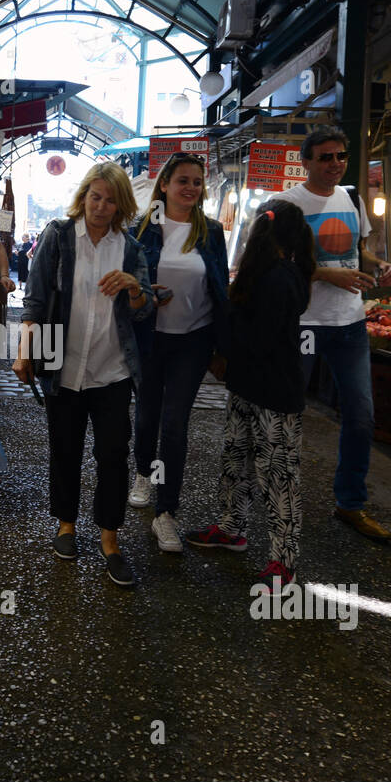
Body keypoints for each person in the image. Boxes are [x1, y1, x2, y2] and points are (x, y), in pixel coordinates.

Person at [235, 126, 391, 541]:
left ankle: (350, 504)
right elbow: (267, 261)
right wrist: (325, 273)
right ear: (306, 161)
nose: (335, 164)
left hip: (350, 324)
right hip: (303, 323)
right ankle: (264, 502)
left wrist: (378, 266)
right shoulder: (286, 203)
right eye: (325, 157)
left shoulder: (351, 198)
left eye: (341, 156)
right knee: (284, 415)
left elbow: (356, 251)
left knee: (361, 418)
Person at [13, 163, 154, 587]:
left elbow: (144, 309)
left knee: (113, 455)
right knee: (65, 450)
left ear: (121, 205)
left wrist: (134, 288)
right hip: (64, 368)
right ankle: (66, 526)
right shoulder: (58, 237)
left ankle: (109, 539)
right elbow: (35, 302)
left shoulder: (131, 249)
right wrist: (24, 355)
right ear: (83, 196)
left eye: (110, 200)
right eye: (95, 196)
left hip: (112, 371)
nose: (101, 206)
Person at [187, 201, 314, 587]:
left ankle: (283, 562)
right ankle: (232, 527)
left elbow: (258, 340)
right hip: (249, 386)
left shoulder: (278, 277)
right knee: (237, 460)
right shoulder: (268, 273)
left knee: (277, 476)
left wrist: (223, 340)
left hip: (274, 394)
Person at [128, 153, 229, 553]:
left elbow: (219, 288)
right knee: (147, 414)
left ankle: (167, 512)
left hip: (194, 339)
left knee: (175, 423)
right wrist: (147, 296)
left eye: (196, 182)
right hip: (150, 337)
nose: (190, 188)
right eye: (182, 181)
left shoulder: (212, 232)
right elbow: (131, 284)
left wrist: (224, 346)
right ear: (165, 184)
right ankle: (142, 473)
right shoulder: (144, 229)